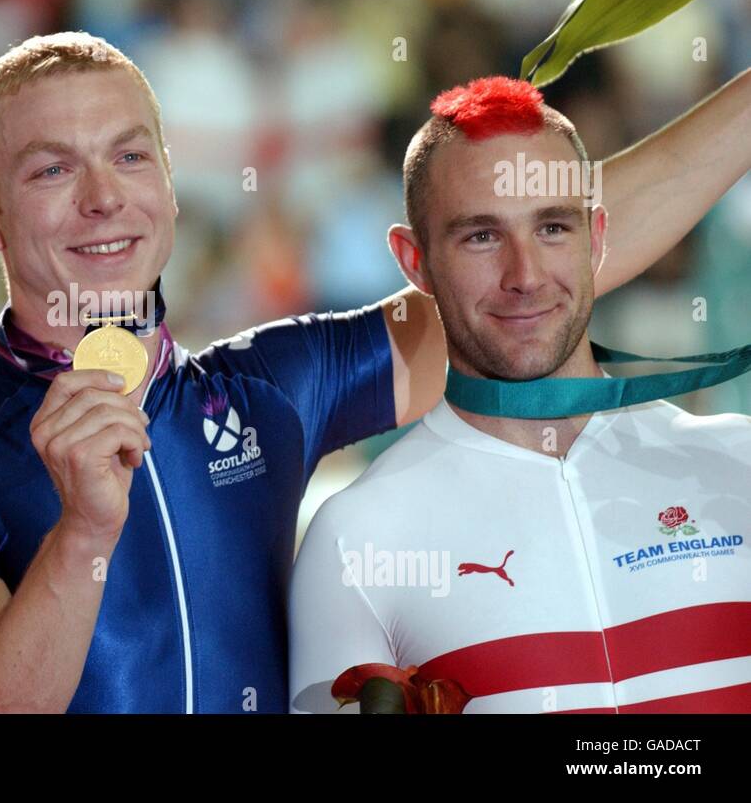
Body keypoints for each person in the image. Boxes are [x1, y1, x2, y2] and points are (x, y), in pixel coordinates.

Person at [0, 31, 751, 713]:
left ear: (174, 185)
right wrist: (82, 538)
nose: (104, 196)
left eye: (131, 155)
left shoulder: (267, 390)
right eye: (52, 169)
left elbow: (521, 276)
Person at [289, 77, 751, 714]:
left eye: (553, 228)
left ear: (598, 236)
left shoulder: (737, 464)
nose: (525, 277)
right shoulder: (357, 537)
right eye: (481, 236)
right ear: (412, 259)